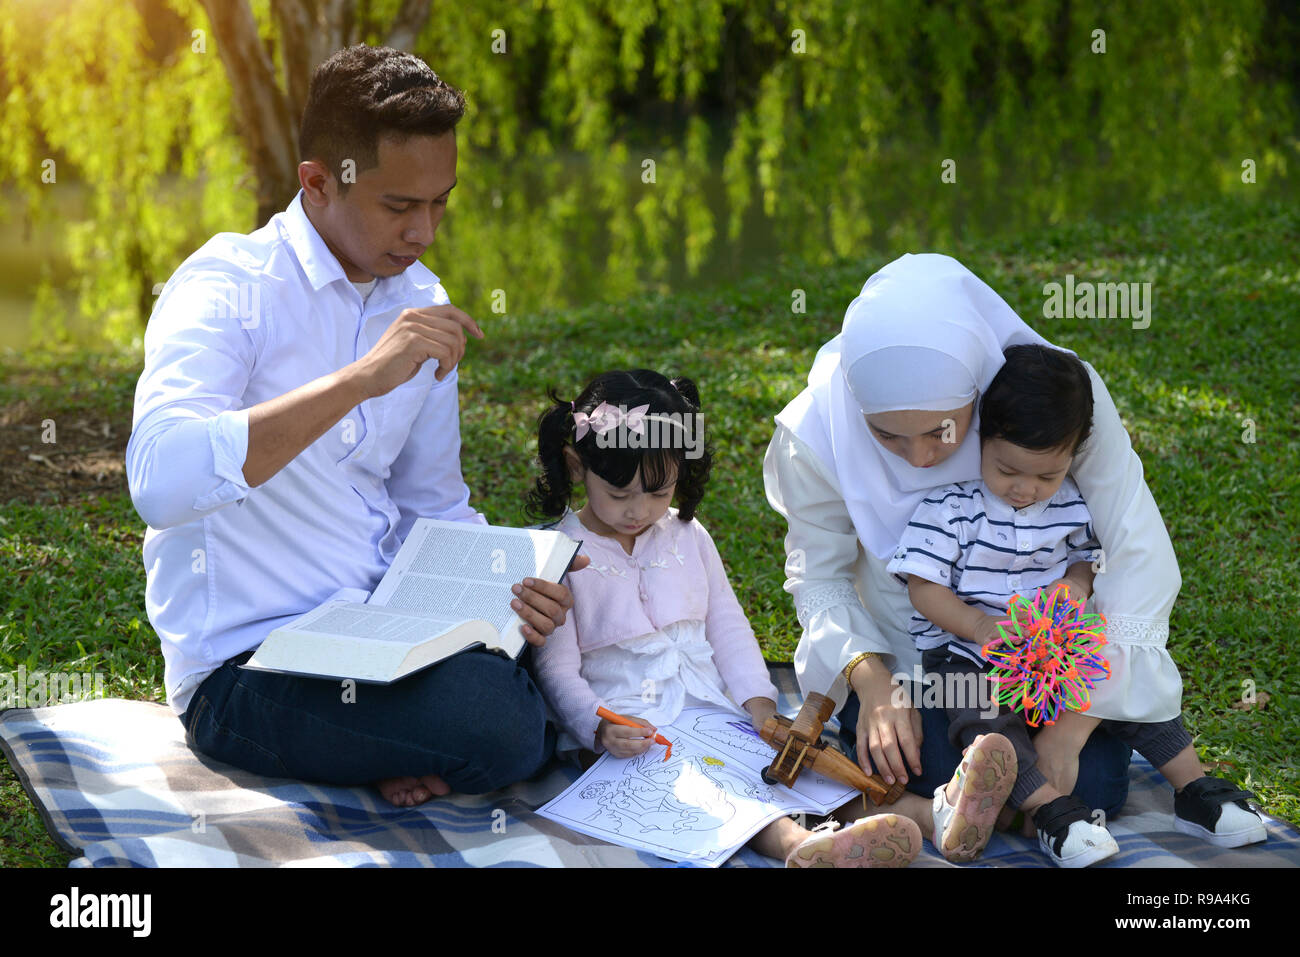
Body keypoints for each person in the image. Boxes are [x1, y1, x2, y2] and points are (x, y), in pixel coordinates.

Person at [125, 44, 586, 807]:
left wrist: (513, 580)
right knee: (501, 721)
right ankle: (421, 739)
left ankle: (400, 742)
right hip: (249, 665)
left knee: (561, 645)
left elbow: (431, 506)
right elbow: (161, 482)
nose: (426, 232)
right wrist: (358, 380)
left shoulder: (420, 293)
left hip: (385, 633)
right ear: (317, 181)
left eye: (442, 202)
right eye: (400, 206)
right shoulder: (225, 286)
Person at [763, 253, 1165, 846]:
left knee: (1097, 777)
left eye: (943, 431)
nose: (921, 457)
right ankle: (979, 806)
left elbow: (1137, 553)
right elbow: (819, 578)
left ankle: (974, 805)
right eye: (886, 436)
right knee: (914, 758)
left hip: (1048, 666)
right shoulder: (818, 431)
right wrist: (874, 684)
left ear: (979, 385)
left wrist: (1073, 730)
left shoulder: (1050, 403)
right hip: (912, 662)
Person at [527, 369, 925, 867]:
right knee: (699, 783)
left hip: (711, 709)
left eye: (657, 492)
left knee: (795, 762)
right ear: (576, 465)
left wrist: (759, 706)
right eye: (620, 493)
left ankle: (925, 816)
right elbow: (556, 671)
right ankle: (798, 848)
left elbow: (728, 627)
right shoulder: (559, 556)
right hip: (631, 728)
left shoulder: (689, 536)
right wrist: (599, 728)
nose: (639, 510)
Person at [889, 343, 1267, 865]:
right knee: (983, 723)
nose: (1026, 489)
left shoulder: (1068, 502)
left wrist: (1074, 588)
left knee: (1121, 683)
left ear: (1073, 457)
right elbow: (923, 586)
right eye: (1008, 470)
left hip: (1052, 646)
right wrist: (978, 626)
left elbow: (1087, 561)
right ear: (983, 439)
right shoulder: (951, 508)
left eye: (1046, 475)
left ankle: (1196, 789)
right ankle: (1054, 815)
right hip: (970, 655)